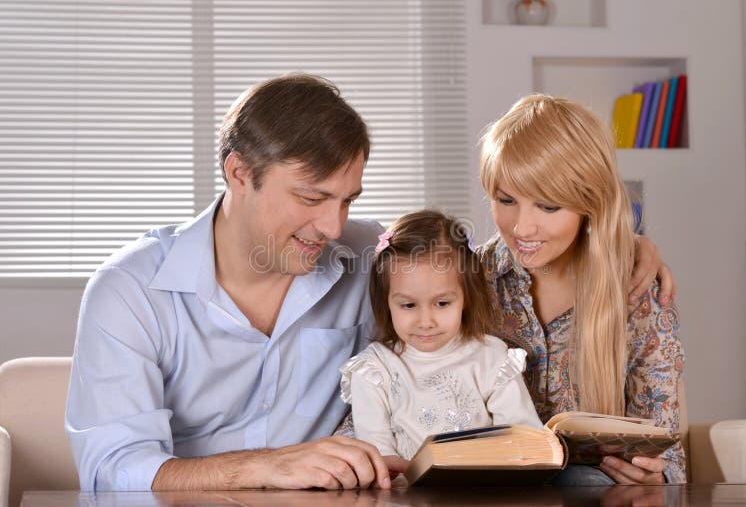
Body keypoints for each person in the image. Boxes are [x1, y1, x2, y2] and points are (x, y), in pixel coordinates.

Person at [65, 73, 671, 492]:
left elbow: (470, 258)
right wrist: (266, 466)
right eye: (312, 197)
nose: (333, 226)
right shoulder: (130, 291)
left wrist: (622, 246)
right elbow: (112, 469)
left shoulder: (367, 257)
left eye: (348, 200)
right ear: (238, 173)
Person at [478, 94, 686, 485]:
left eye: (548, 207)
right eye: (506, 200)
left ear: (589, 203)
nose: (522, 228)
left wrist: (655, 479)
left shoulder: (640, 294)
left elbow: (668, 456)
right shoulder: (464, 281)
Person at [339, 210, 543, 461]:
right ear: (386, 302)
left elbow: (524, 436)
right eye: (408, 306)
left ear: (466, 298)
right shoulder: (374, 369)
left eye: (442, 303)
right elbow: (378, 453)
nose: (426, 322)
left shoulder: (491, 357)